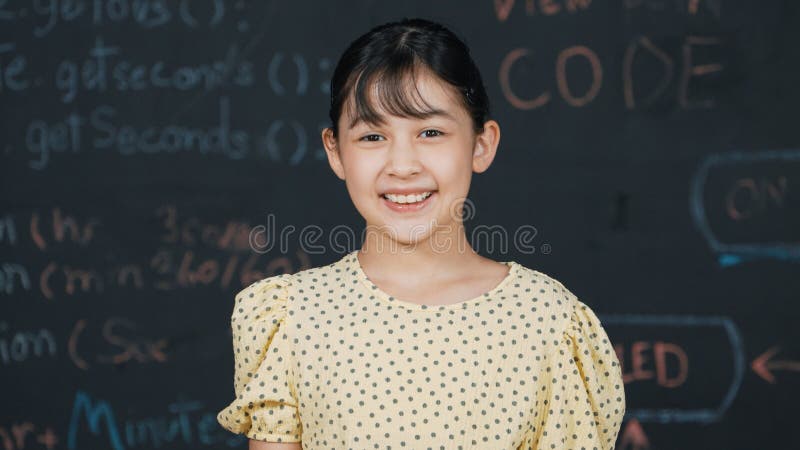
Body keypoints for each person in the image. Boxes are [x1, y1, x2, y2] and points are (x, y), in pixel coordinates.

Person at [217, 17, 626, 450]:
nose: (403, 165)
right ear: (335, 152)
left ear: (481, 144)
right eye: (372, 136)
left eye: (430, 132)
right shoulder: (294, 316)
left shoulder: (548, 321)